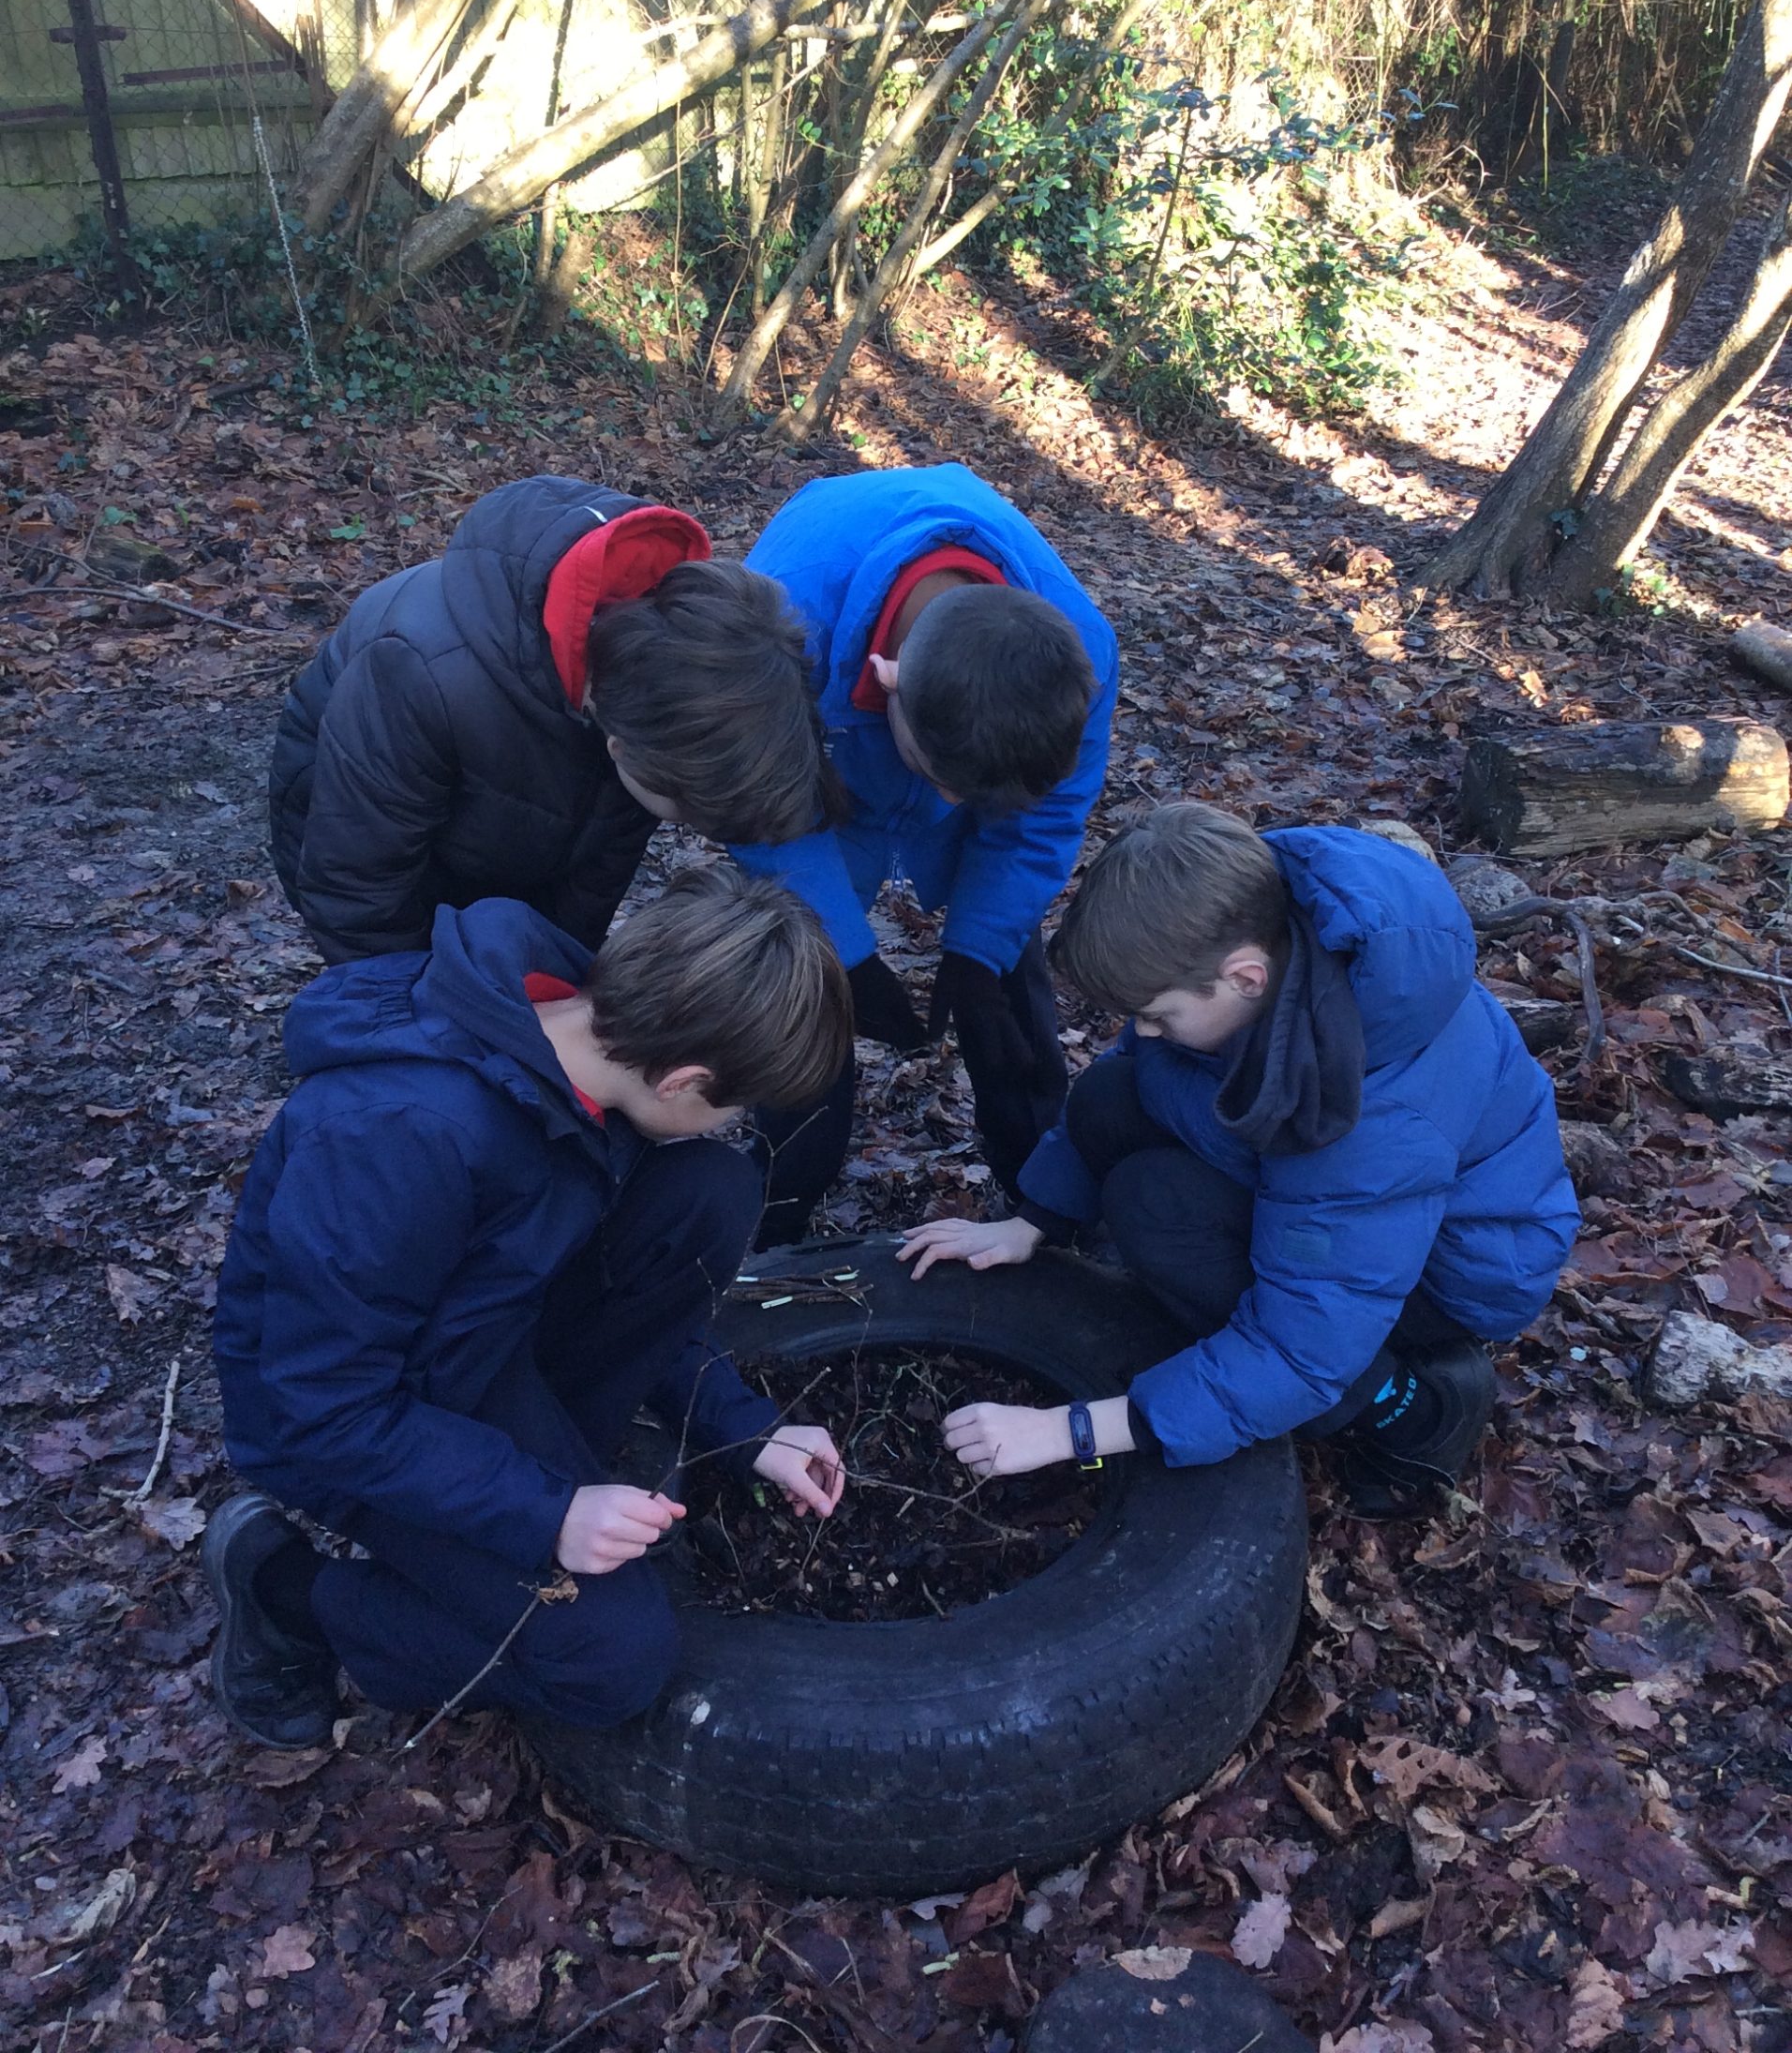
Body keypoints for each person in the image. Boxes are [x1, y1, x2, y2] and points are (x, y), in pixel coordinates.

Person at [204, 867, 853, 1750]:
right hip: (352, 1420)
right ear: (684, 1080)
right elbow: (321, 1408)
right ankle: (282, 1586)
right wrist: (546, 1513)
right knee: (611, 1661)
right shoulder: (400, 1133)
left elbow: (583, 1272)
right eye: (731, 1105)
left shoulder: (590, 1044)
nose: (727, 1122)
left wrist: (743, 1427)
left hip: (480, 1335)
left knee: (709, 1190)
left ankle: (541, 1484)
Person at [900, 805, 1578, 1517]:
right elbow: (1134, 1063)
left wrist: (1075, 1430)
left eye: (1159, 1013)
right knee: (1116, 1091)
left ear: (1245, 978)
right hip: (1344, 1199)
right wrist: (1031, 1222)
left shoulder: (1373, 1118)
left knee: (1153, 1207)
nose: (1143, 1029)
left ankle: (1410, 1407)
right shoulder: (1264, 936)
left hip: (1450, 1268)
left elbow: (1302, 1347)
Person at [730, 462, 1118, 1240]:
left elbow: (1040, 823)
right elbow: (756, 804)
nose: (949, 810)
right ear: (889, 681)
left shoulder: (1077, 657)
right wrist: (845, 954)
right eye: (941, 782)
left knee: (1006, 986)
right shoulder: (779, 622)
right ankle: (779, 1200)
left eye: (967, 798)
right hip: (825, 765)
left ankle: (1048, 1201)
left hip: (957, 739)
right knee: (800, 976)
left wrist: (976, 952)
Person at [269, 474, 829, 964]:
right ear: (621, 750)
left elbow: (599, 863)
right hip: (355, 838)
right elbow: (356, 890)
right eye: (685, 814)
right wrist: (434, 1012)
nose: (682, 825)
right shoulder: (423, 674)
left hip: (501, 834)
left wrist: (558, 976)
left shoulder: (657, 700)